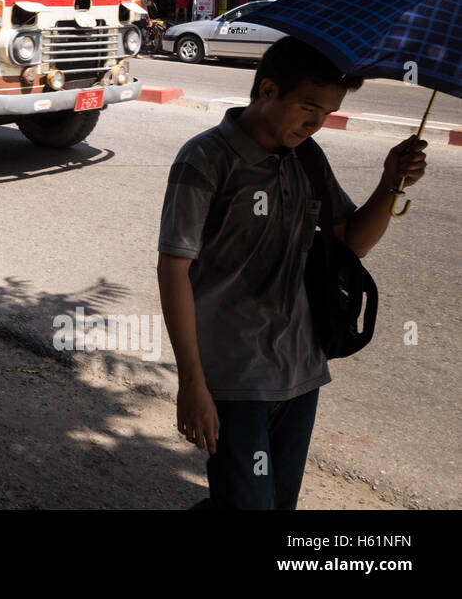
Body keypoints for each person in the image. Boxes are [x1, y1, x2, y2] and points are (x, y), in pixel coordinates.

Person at [156, 38, 428, 509]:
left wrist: (391, 182)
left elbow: (351, 244)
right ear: (267, 90)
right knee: (249, 502)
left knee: (271, 503)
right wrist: (192, 382)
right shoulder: (206, 159)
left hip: (301, 369)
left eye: (327, 112)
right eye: (307, 107)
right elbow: (173, 269)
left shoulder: (307, 156)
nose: (316, 123)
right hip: (233, 376)